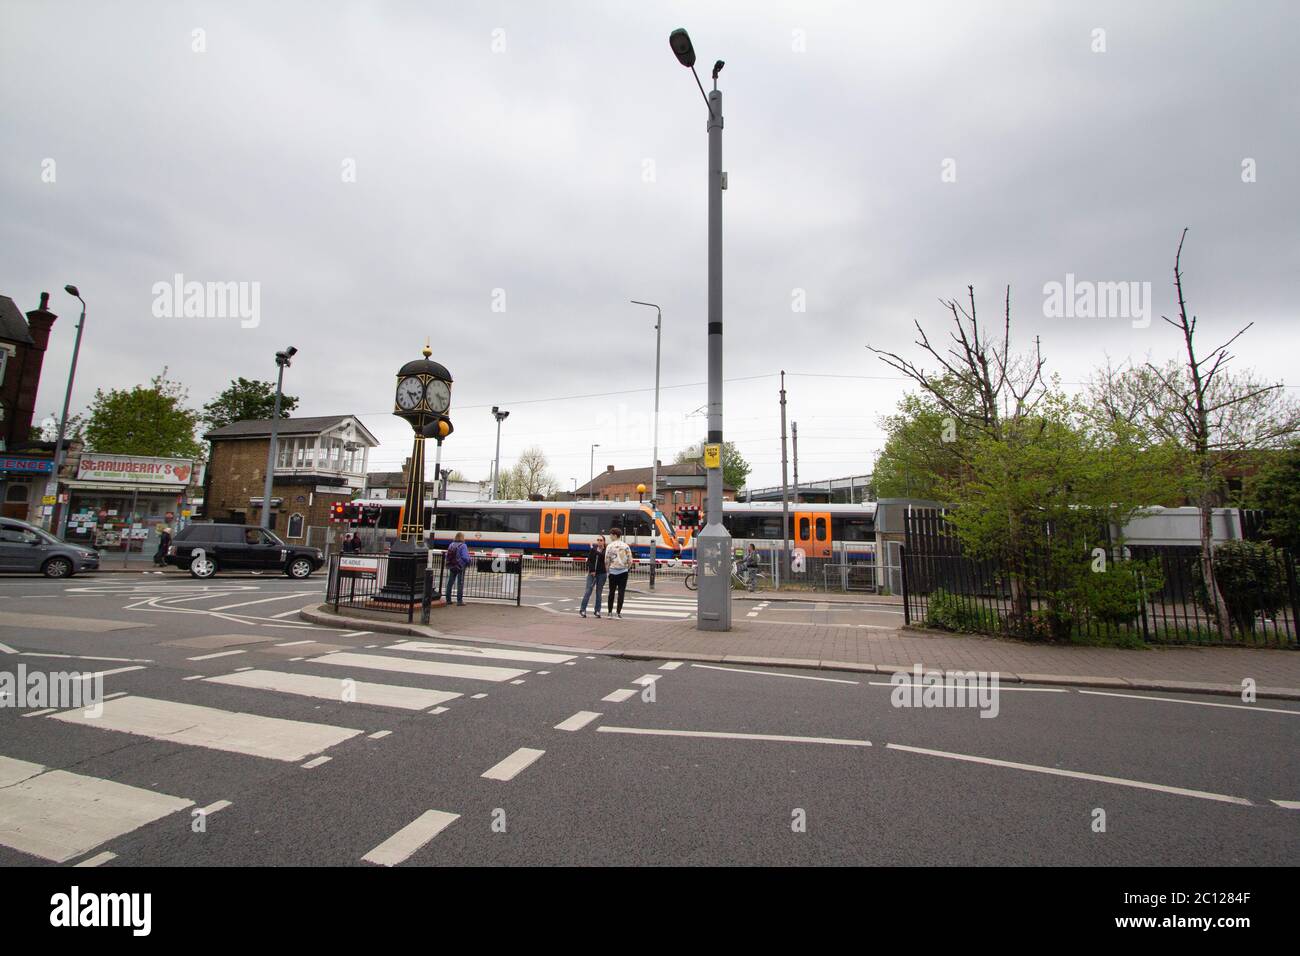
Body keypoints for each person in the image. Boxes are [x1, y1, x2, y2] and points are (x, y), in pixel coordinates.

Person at [604, 527, 633, 619]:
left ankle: (609, 612)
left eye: (611, 535)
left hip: (613, 571)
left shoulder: (610, 546)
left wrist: (608, 570)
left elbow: (606, 560)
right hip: (623, 572)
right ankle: (618, 612)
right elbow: (630, 560)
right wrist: (627, 568)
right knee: (621, 592)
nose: (610, 536)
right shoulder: (626, 546)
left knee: (611, 592)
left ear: (615, 535)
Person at [579, 535, 606, 618]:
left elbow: (602, 557)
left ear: (604, 541)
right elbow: (589, 561)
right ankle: (582, 610)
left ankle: (597, 611)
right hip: (592, 574)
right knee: (588, 591)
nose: (599, 542)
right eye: (598, 540)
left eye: (601, 540)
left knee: (599, 592)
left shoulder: (606, 550)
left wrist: (593, 550)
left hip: (602, 574)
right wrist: (592, 571)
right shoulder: (593, 550)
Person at [445, 531, 470, 606]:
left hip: (452, 566)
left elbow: (447, 555)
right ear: (462, 538)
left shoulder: (451, 545)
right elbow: (465, 557)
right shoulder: (463, 545)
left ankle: (448, 600)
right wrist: (469, 561)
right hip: (460, 566)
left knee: (450, 582)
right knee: (460, 583)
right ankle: (459, 601)